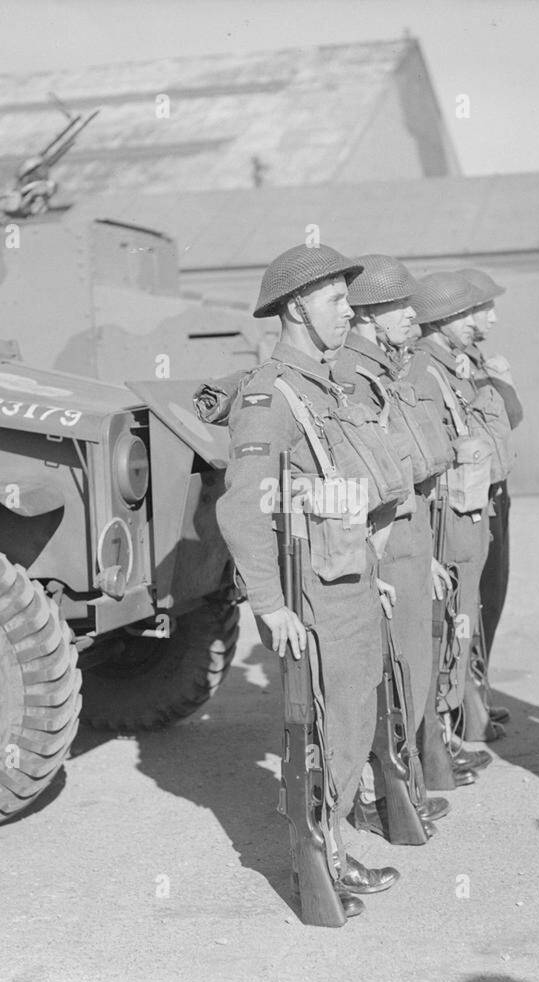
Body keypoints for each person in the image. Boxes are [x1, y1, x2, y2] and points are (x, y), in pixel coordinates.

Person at [216, 243, 401, 919]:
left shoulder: (326, 388)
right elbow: (242, 507)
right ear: (298, 306)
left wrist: (372, 570)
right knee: (325, 730)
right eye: (337, 300)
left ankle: (336, 844)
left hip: (349, 585)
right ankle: (319, 861)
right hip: (314, 601)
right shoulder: (273, 393)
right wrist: (268, 606)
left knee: (351, 722)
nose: (350, 311)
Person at [342, 254, 483, 816]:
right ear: (369, 315)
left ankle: (404, 784)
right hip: (388, 541)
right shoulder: (356, 376)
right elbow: (367, 481)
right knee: (390, 677)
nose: (412, 314)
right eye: (399, 306)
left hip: (412, 538)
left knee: (412, 670)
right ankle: (380, 797)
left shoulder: (388, 368)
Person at [406, 271, 511, 750]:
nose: (481, 321)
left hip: (467, 517)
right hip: (445, 523)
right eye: (469, 313)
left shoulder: (449, 368)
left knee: (462, 622)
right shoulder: (425, 373)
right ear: (443, 319)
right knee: (446, 627)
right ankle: (438, 739)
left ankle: (457, 721)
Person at [458, 267, 522, 728]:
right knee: (470, 604)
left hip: (497, 492)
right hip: (472, 497)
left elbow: (511, 417)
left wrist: (501, 381)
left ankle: (476, 694)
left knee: (490, 599)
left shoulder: (479, 359)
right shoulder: (440, 362)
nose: (493, 318)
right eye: (486, 309)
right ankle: (464, 708)